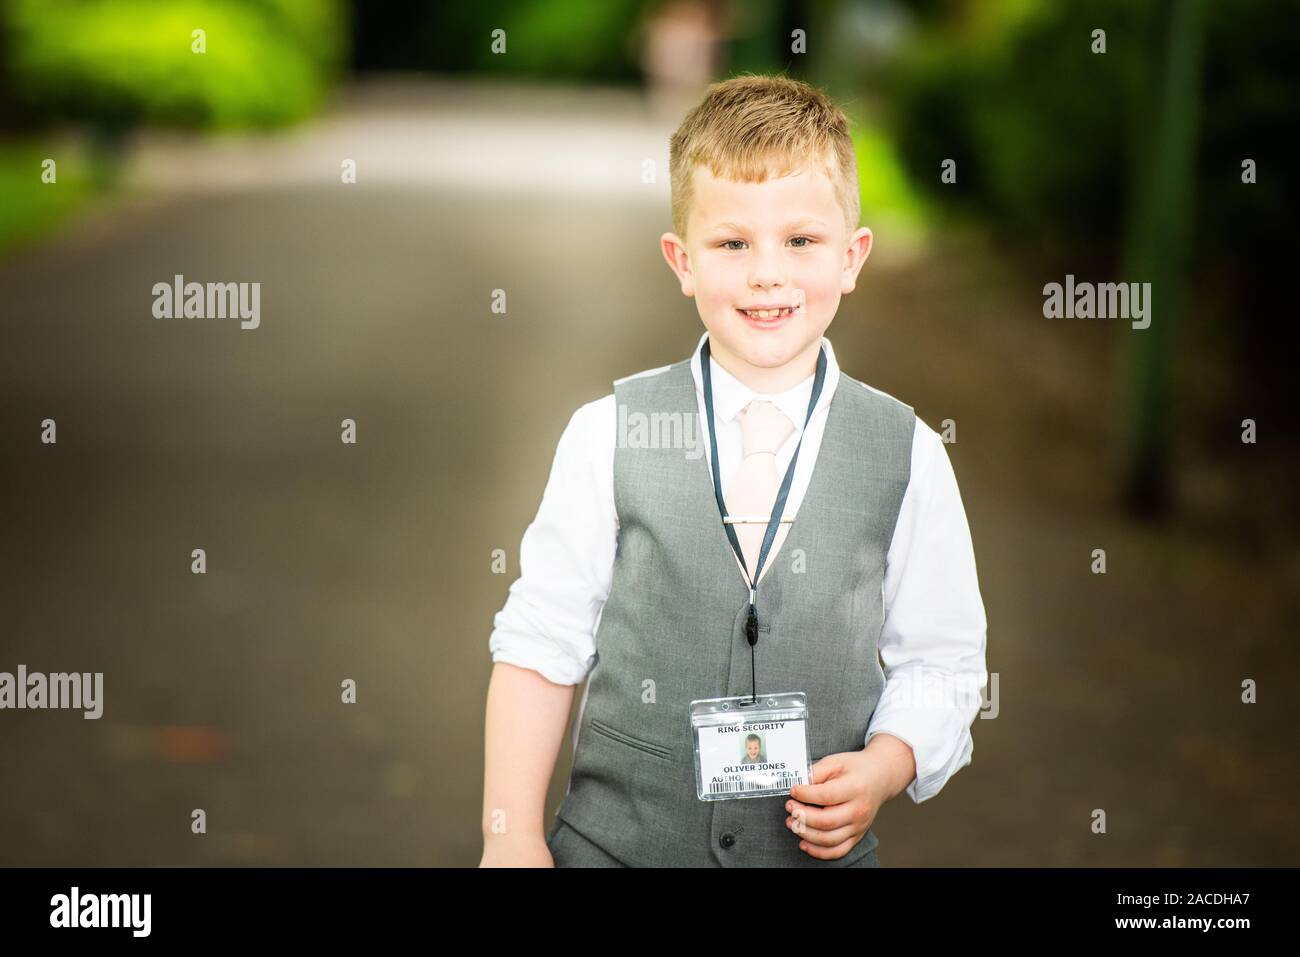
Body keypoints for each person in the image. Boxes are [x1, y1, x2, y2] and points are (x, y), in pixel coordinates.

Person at [481, 74, 987, 868]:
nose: (767, 273)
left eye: (801, 240)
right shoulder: (606, 435)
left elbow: (943, 662)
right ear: (682, 261)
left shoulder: (907, 450)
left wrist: (886, 764)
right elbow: (541, 643)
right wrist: (508, 835)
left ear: (852, 257)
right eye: (731, 243)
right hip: (614, 851)